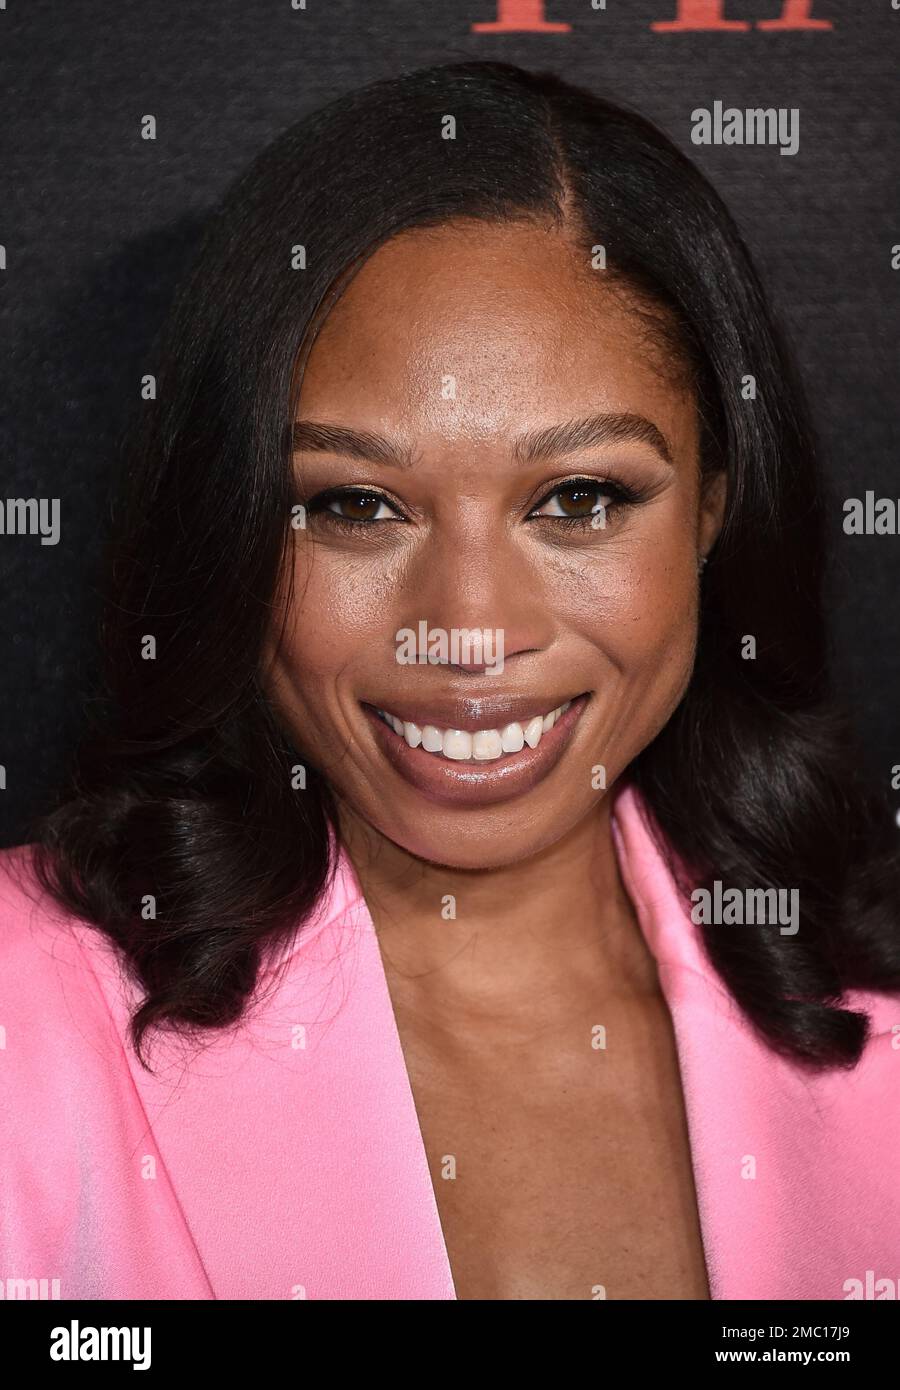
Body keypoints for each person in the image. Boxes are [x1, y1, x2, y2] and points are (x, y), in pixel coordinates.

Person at [2, 59, 899, 1302]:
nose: (468, 631)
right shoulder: (24, 1011)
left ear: (714, 510)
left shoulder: (872, 993)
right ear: (231, 527)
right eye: (356, 506)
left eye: (579, 499)